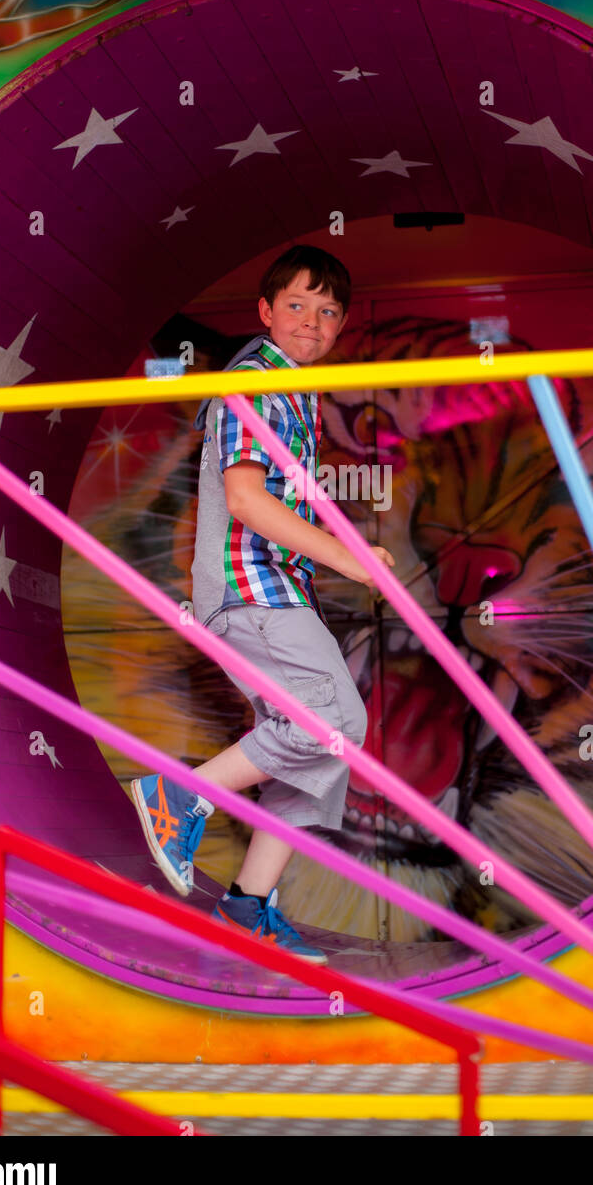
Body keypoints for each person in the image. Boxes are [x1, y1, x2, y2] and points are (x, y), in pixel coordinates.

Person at [132, 244, 395, 962]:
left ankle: (247, 905)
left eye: (329, 312)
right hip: (246, 587)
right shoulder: (254, 382)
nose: (313, 323)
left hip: (277, 586)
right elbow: (247, 499)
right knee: (333, 724)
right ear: (265, 312)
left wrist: (343, 556)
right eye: (298, 306)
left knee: (319, 750)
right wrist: (348, 557)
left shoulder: (295, 389)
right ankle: (177, 795)